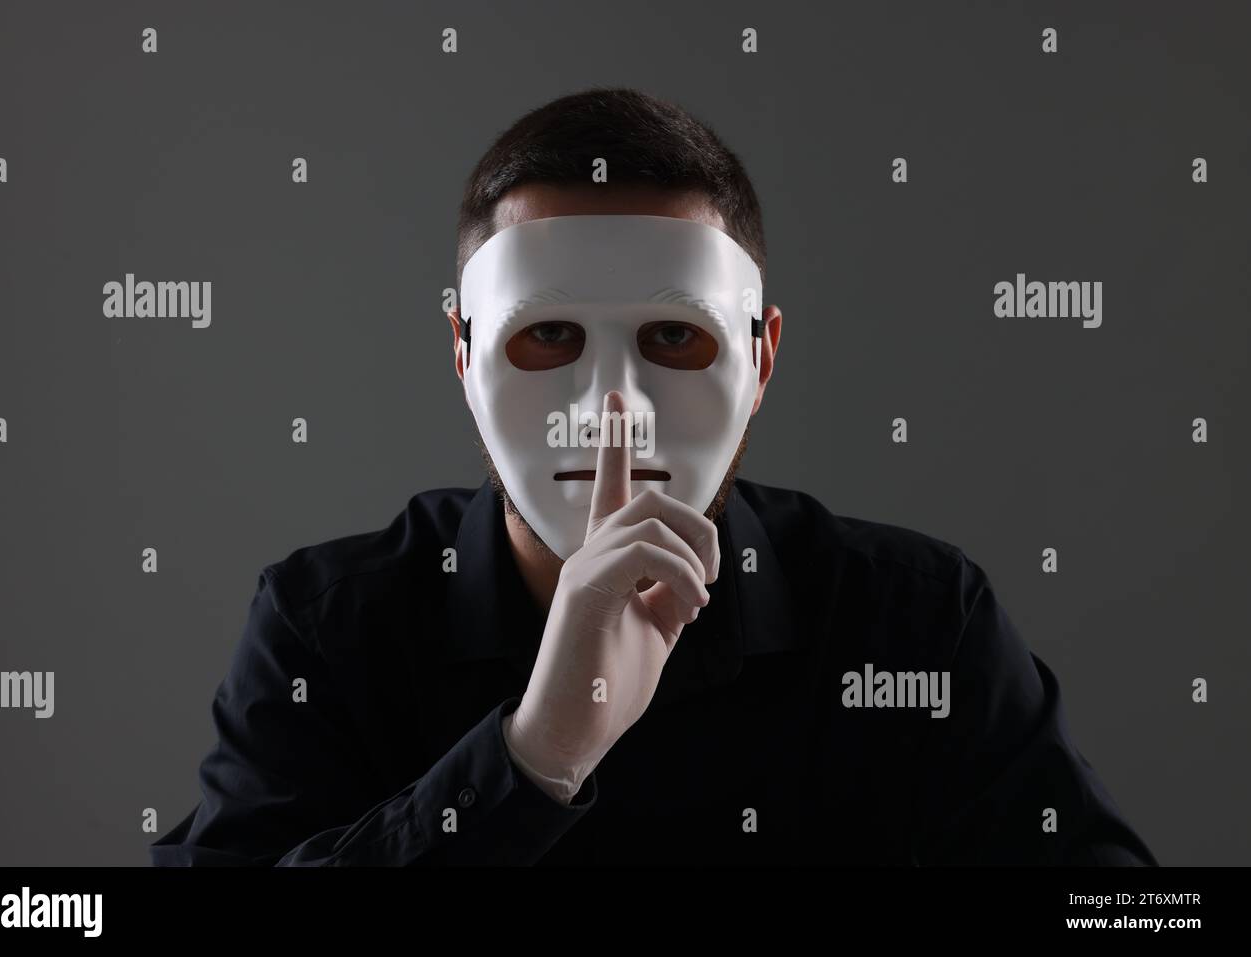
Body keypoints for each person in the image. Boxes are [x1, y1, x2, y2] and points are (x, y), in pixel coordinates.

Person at [150, 87, 1155, 866]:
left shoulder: (915, 621)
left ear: (758, 362)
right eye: (548, 335)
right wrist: (531, 757)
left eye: (674, 336)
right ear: (464, 358)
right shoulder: (326, 628)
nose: (613, 410)